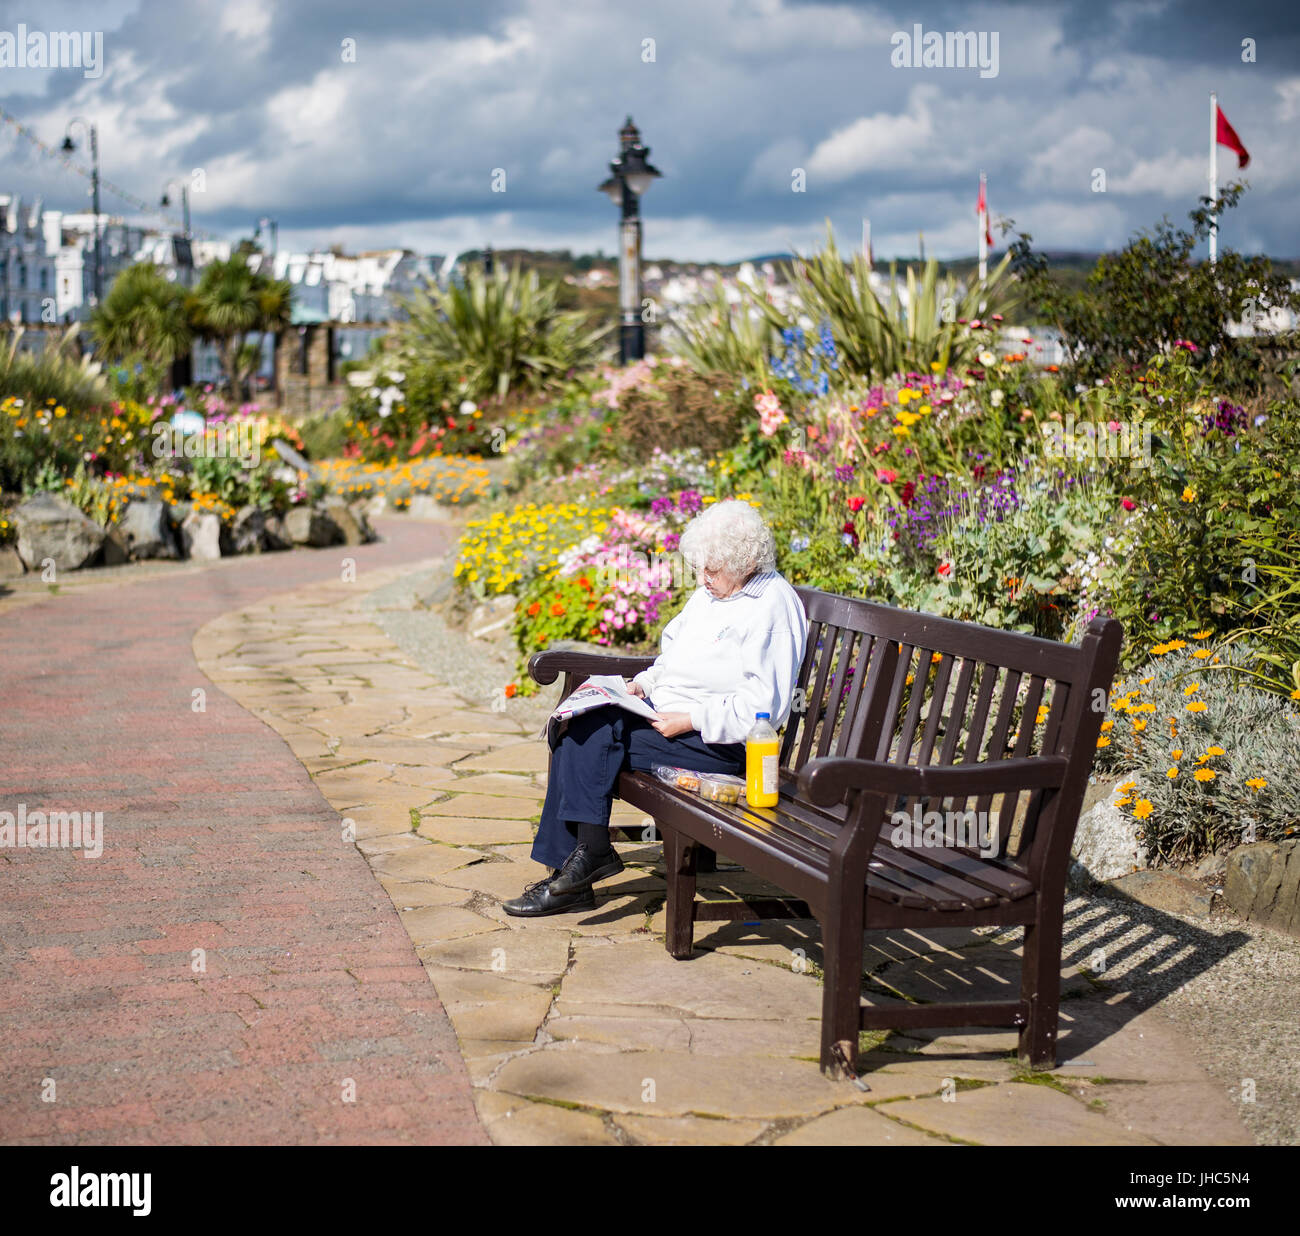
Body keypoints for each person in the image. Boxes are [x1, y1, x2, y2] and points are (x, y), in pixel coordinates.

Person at [504, 500, 809, 917]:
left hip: (720, 743)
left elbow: (764, 708)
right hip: (665, 720)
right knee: (573, 720)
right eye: (700, 567)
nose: (702, 579)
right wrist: (641, 684)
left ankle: (578, 866)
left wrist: (691, 719)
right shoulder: (713, 594)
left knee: (589, 734)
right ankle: (580, 861)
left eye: (712, 570)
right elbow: (673, 659)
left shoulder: (771, 606)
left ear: (745, 562)